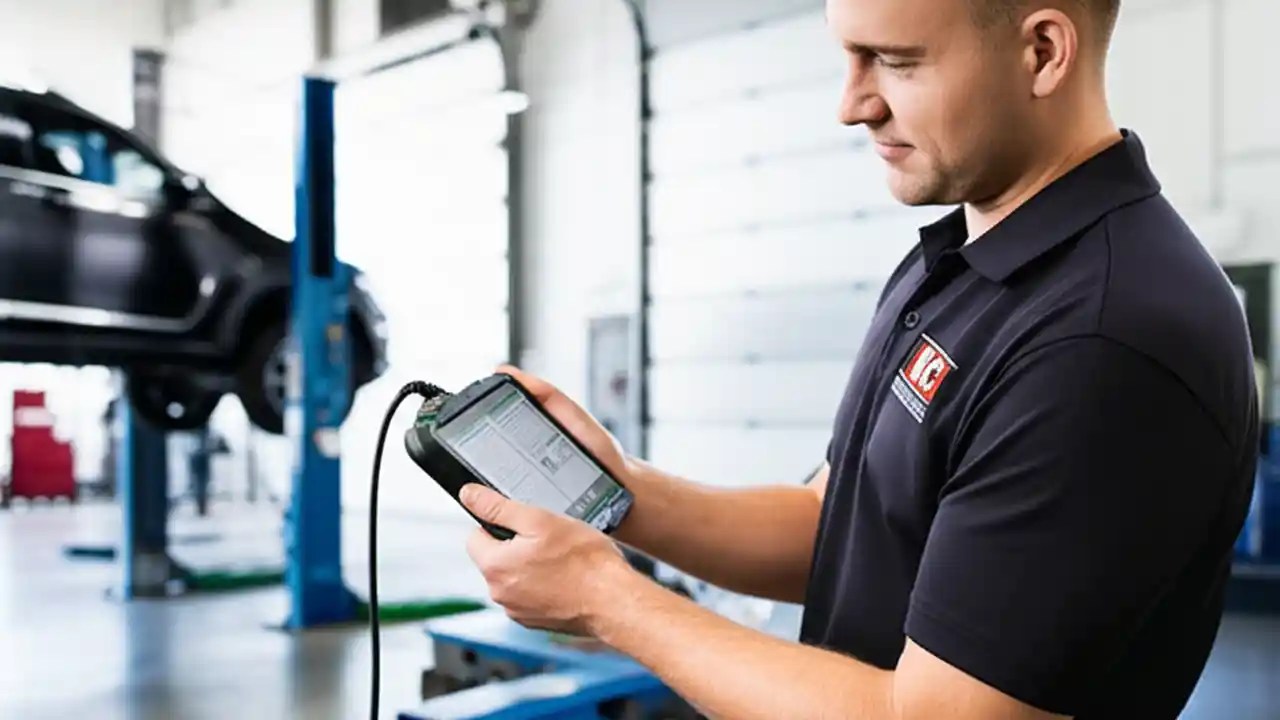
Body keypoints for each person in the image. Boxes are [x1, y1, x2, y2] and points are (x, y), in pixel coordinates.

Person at [458, 0, 1260, 717]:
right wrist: (624, 492)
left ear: (1044, 52)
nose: (851, 105)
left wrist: (609, 600)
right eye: (848, 55)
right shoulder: (957, 262)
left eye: (896, 62)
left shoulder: (1105, 337)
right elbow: (835, 523)